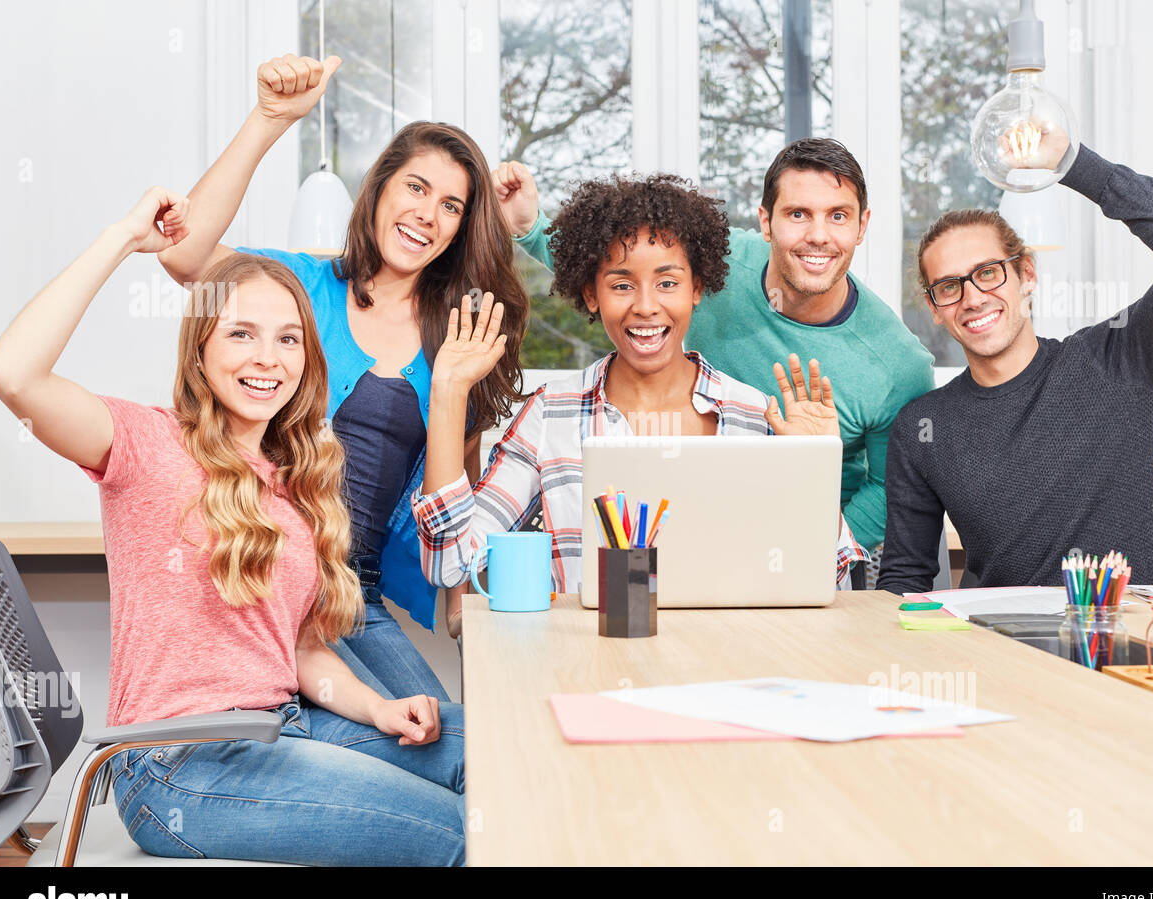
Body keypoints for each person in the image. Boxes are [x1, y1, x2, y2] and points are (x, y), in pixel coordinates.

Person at [0, 188, 465, 865]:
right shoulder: (148, 446)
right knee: (461, 834)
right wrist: (121, 238)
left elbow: (294, 651)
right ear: (201, 348)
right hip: (181, 767)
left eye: (287, 339)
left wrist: (374, 709)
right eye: (242, 333)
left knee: (491, 759)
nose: (268, 359)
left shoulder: (296, 475)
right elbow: (11, 373)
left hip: (283, 730)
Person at [157, 54, 528, 692]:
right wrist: (269, 120)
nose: (426, 215)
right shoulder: (300, 286)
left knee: (453, 743)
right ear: (379, 188)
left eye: (451, 206)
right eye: (415, 188)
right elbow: (186, 255)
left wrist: (469, 619)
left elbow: (455, 493)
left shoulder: (457, 339)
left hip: (353, 596)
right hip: (264, 572)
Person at [413, 174, 864, 593]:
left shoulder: (755, 415)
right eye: (622, 285)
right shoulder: (551, 414)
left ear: (697, 288)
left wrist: (814, 468)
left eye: (667, 282)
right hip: (591, 667)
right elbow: (450, 563)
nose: (646, 306)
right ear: (591, 294)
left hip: (725, 666)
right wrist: (449, 391)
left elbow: (833, 577)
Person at [493, 139, 934, 560]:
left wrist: (813, 551)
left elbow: (888, 487)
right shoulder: (721, 263)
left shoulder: (899, 365)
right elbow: (623, 269)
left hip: (802, 531)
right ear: (766, 221)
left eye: (838, 216)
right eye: (798, 214)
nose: (817, 235)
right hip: (686, 512)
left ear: (862, 225)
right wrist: (529, 229)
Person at [877, 133, 1153, 594]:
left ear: (1026, 274)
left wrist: (1075, 165)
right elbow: (903, 582)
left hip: (1125, 654)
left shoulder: (1117, 358)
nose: (972, 298)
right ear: (934, 308)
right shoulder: (922, 427)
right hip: (1007, 652)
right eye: (949, 287)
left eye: (988, 272)